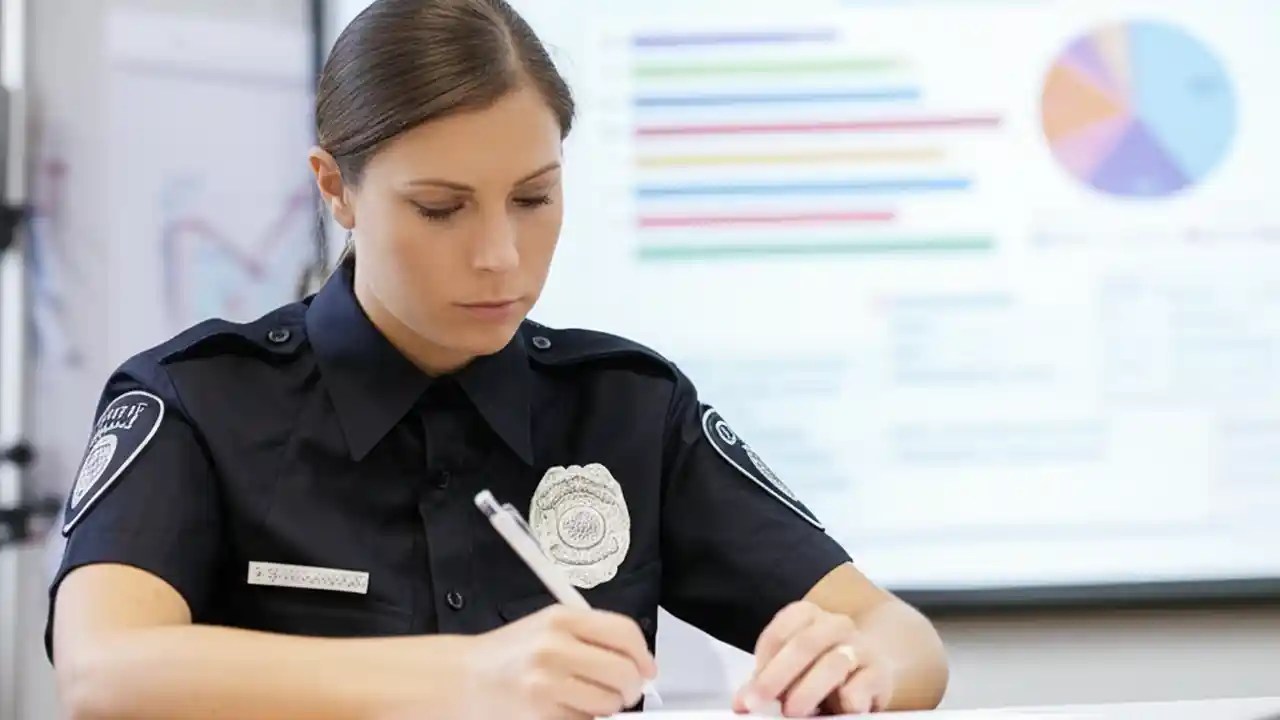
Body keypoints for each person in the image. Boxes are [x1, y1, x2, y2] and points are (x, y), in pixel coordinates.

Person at [45, 1, 949, 718]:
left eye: (533, 198)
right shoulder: (198, 403)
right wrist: (466, 677)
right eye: (441, 208)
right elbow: (105, 670)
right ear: (336, 189)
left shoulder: (627, 408)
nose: (501, 257)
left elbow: (899, 634)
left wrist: (857, 665)